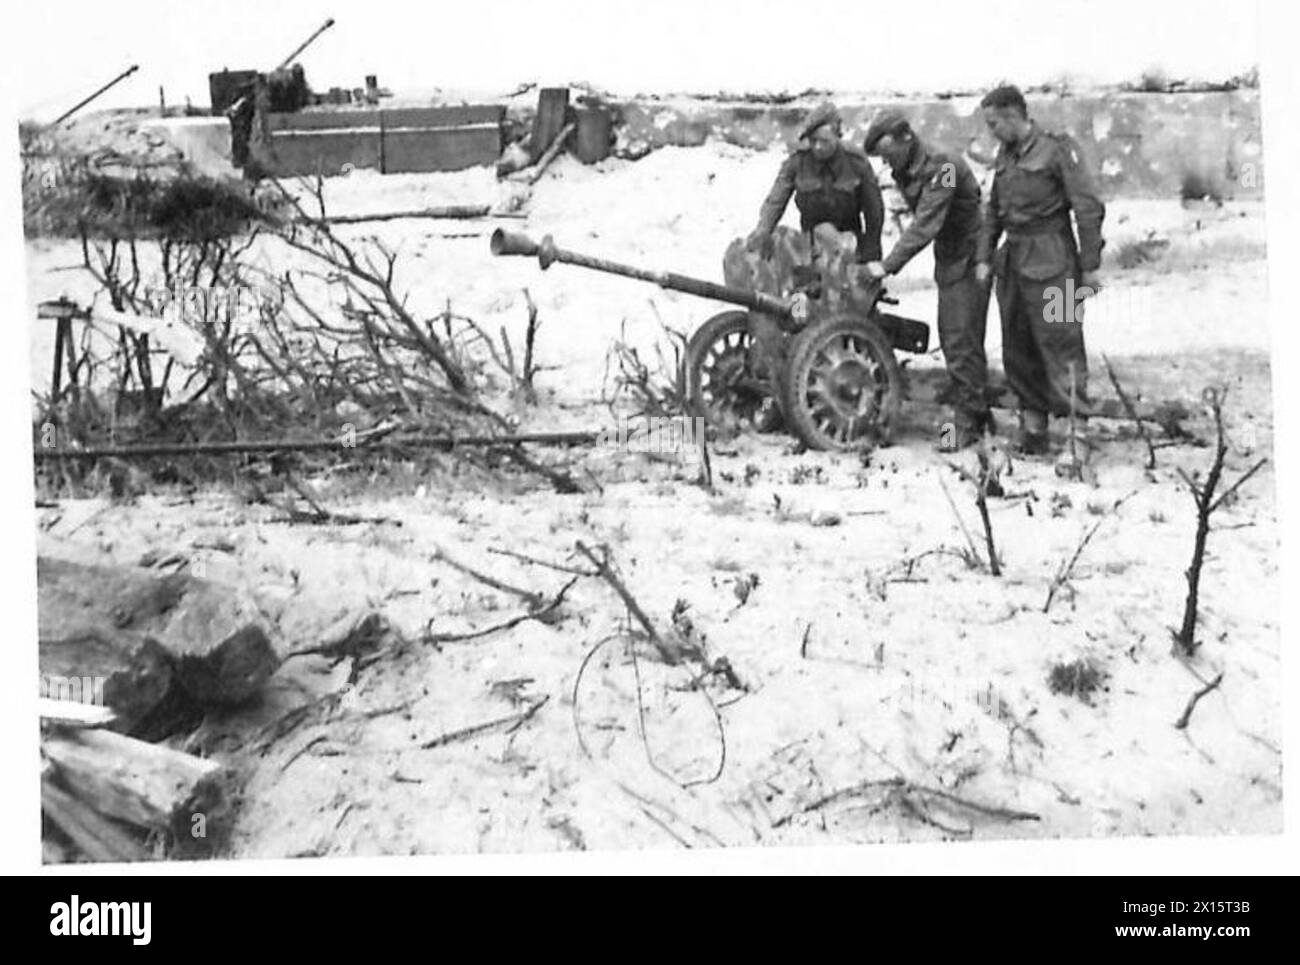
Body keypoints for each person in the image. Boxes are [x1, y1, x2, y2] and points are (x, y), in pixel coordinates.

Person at [974, 84, 1106, 455]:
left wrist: (1090, 265)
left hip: (1054, 261)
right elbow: (992, 212)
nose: (991, 132)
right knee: (1019, 346)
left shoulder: (1057, 149)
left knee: (1062, 345)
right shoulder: (1005, 155)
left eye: (994, 123)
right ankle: (1034, 430)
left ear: (1014, 116)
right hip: (1014, 262)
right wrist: (984, 258)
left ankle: (1077, 435)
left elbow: (1088, 207)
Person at [861, 110, 990, 450]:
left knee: (960, 338)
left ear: (906, 139)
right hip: (951, 258)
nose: (888, 165)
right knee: (957, 338)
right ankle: (978, 412)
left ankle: (965, 424)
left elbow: (927, 223)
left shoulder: (944, 167)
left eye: (889, 155)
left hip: (972, 257)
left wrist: (887, 266)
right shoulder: (908, 168)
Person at [747, 102, 884, 264]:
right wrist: (763, 230)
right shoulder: (798, 161)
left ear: (837, 135)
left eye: (824, 141)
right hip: (810, 241)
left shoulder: (856, 162)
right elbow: (776, 200)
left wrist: (872, 252)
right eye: (813, 141)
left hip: (850, 240)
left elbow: (874, 211)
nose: (818, 147)